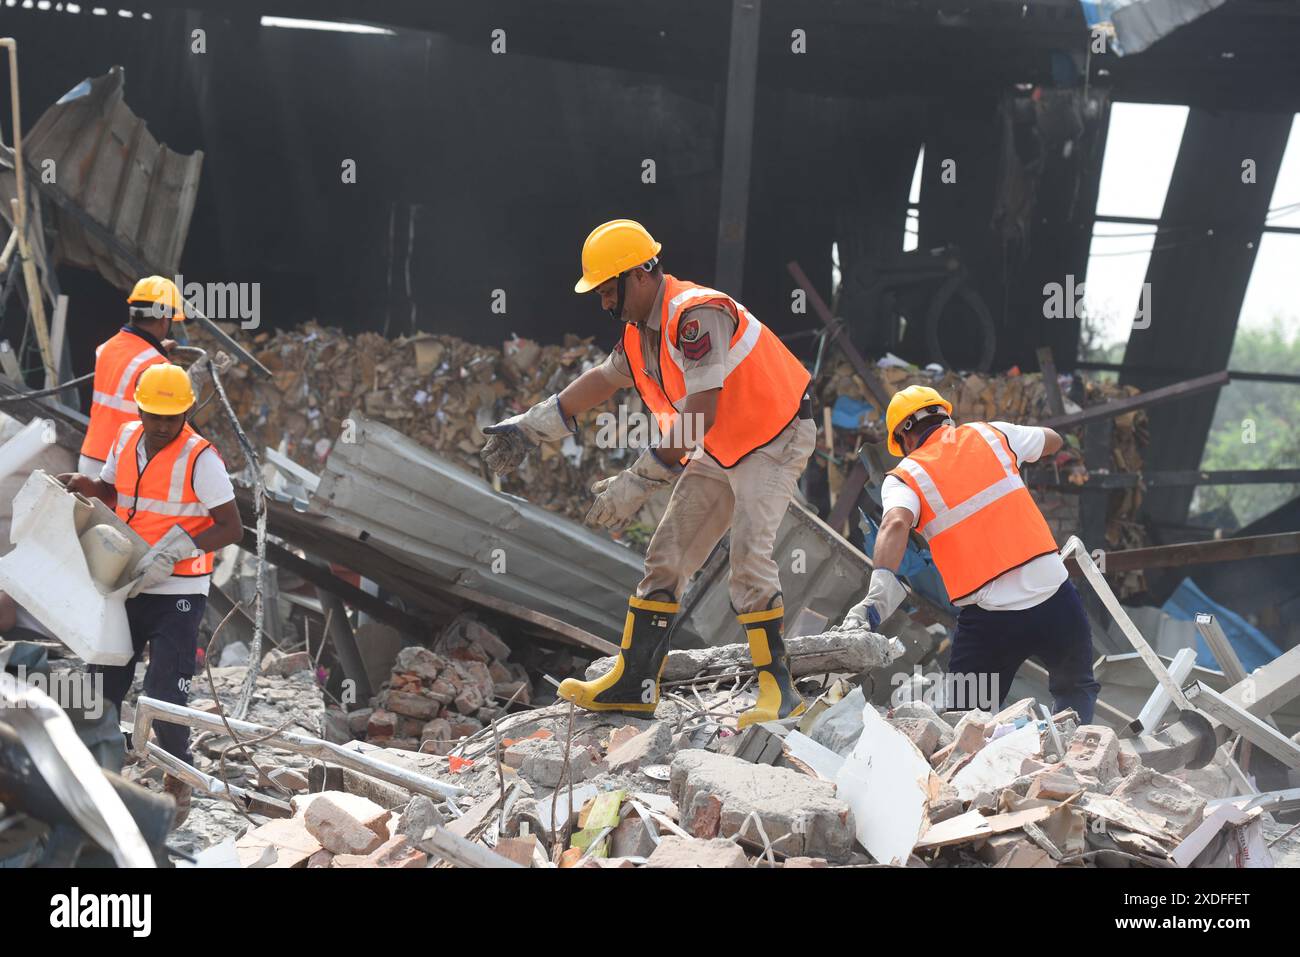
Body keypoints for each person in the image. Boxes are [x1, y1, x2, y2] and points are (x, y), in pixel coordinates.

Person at [481, 219, 817, 728]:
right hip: (723, 444)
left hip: (773, 438)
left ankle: (780, 693)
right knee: (666, 558)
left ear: (639, 275)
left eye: (608, 289)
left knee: (748, 557)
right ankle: (635, 683)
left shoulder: (695, 317)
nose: (603, 303)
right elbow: (601, 380)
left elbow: (700, 411)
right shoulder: (641, 336)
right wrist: (531, 426)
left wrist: (639, 480)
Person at [840, 385, 1100, 721]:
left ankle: (970, 769)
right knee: (1075, 690)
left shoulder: (905, 477)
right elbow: (1053, 439)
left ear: (904, 436)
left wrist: (877, 596)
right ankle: (1076, 762)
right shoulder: (991, 434)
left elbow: (894, 524)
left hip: (991, 619)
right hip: (1055, 598)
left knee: (966, 715)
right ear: (945, 416)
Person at [59, 363, 243, 825]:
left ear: (185, 413)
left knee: (164, 692)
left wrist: (180, 547)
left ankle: (178, 779)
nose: (162, 427)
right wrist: (90, 488)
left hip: (179, 591)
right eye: (154, 416)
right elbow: (116, 491)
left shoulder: (202, 459)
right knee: (103, 684)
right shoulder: (125, 438)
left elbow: (231, 527)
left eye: (171, 418)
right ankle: (98, 779)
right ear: (140, 408)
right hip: (128, 581)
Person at [78, 276, 184, 476]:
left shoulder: (106, 348)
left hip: (90, 456)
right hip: (119, 464)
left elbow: (129, 360)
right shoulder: (157, 365)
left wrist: (156, 350)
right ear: (163, 320)